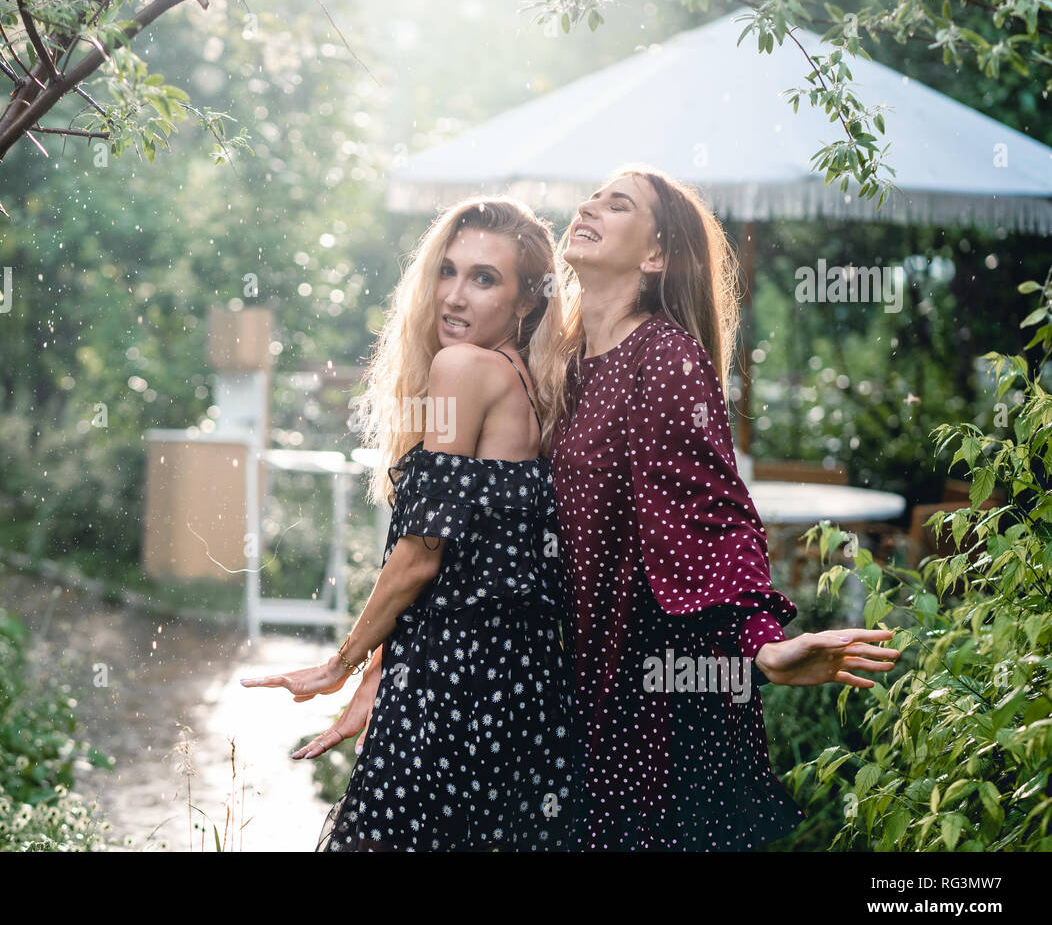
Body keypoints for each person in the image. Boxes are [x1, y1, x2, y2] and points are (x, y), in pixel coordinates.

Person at [547, 163, 900, 850]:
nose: (589, 205)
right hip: (586, 682)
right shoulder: (569, 361)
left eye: (617, 203)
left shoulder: (665, 356)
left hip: (656, 699)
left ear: (654, 255)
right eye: (592, 194)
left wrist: (762, 645)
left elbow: (716, 517)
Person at [242, 197, 577, 850]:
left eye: (484, 279)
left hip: (452, 692)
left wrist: (341, 663)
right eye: (447, 271)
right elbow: (469, 571)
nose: (454, 295)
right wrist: (377, 675)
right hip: (526, 693)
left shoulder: (461, 370)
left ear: (526, 302)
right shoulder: (534, 388)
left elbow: (421, 554)